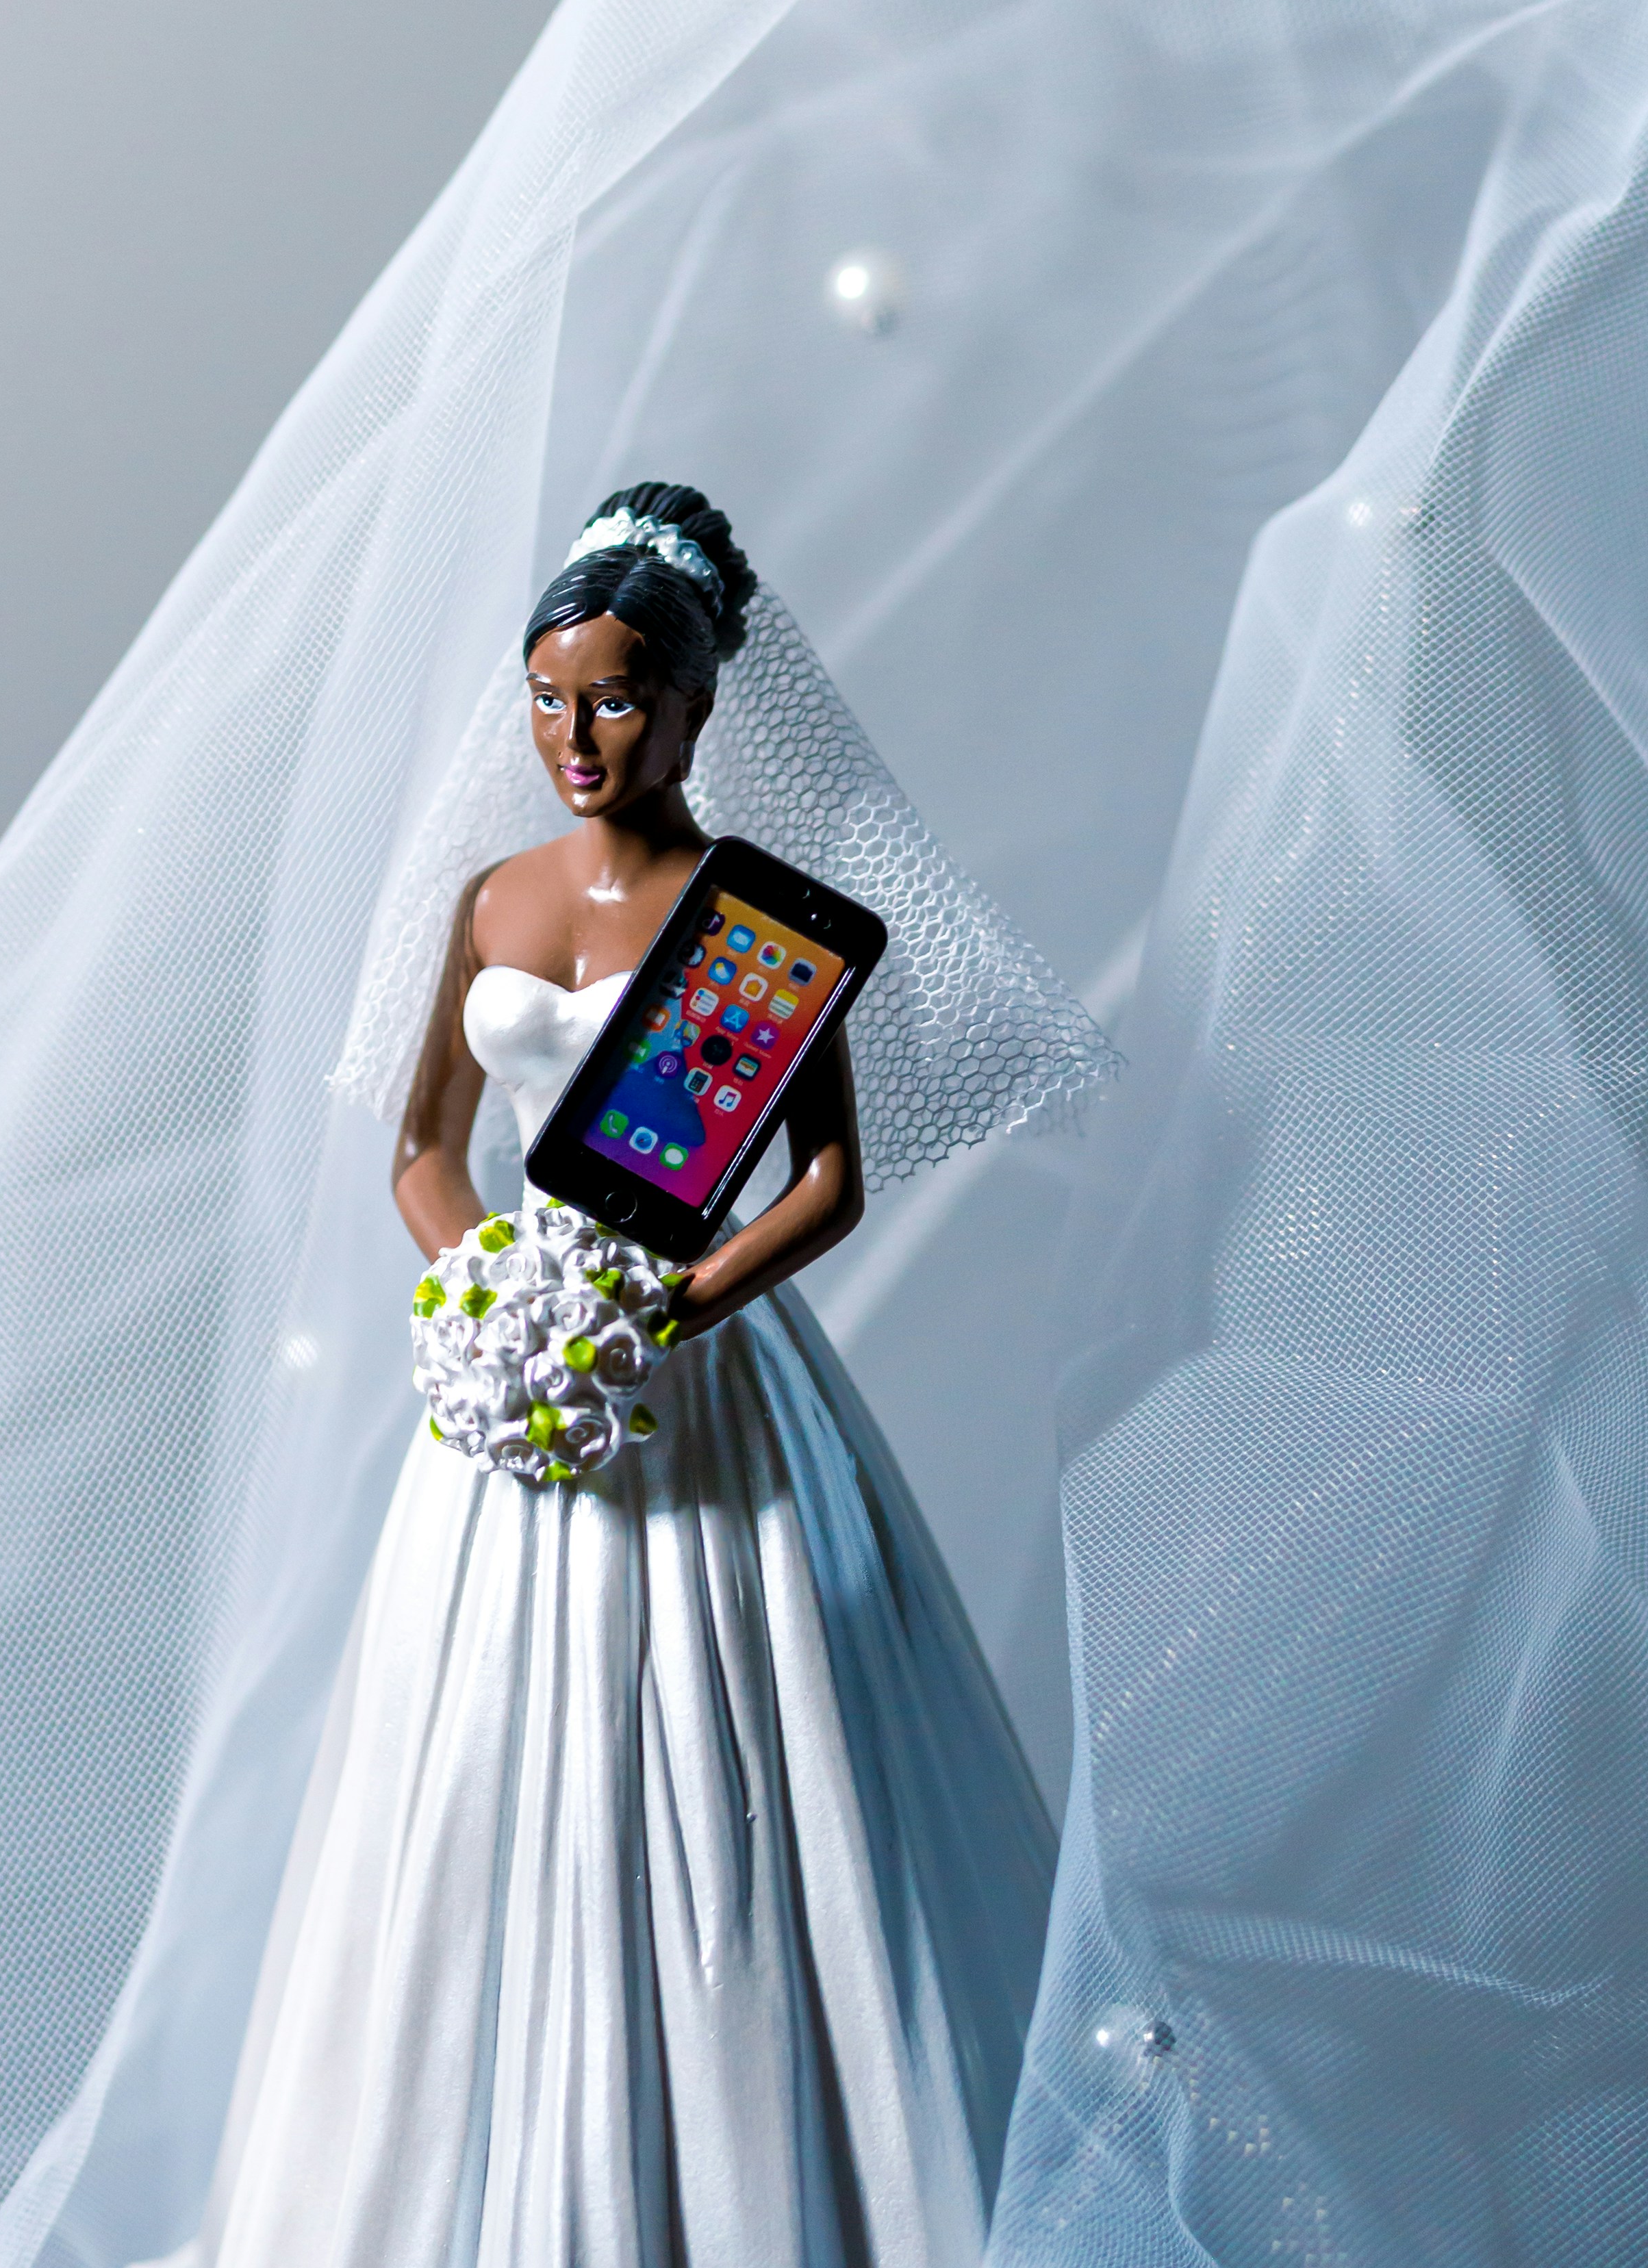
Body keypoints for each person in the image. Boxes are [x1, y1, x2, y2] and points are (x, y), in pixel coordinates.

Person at [163, 485, 1063, 2268]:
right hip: (513, 1385)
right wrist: (494, 1288)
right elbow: (424, 1143)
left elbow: (827, 1179)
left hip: (698, 1381)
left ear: (697, 706)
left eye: (620, 696)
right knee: (479, 1745)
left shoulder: (762, 926)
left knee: (741, 1747)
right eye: (551, 696)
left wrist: (672, 1305)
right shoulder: (485, 896)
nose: (580, 735)